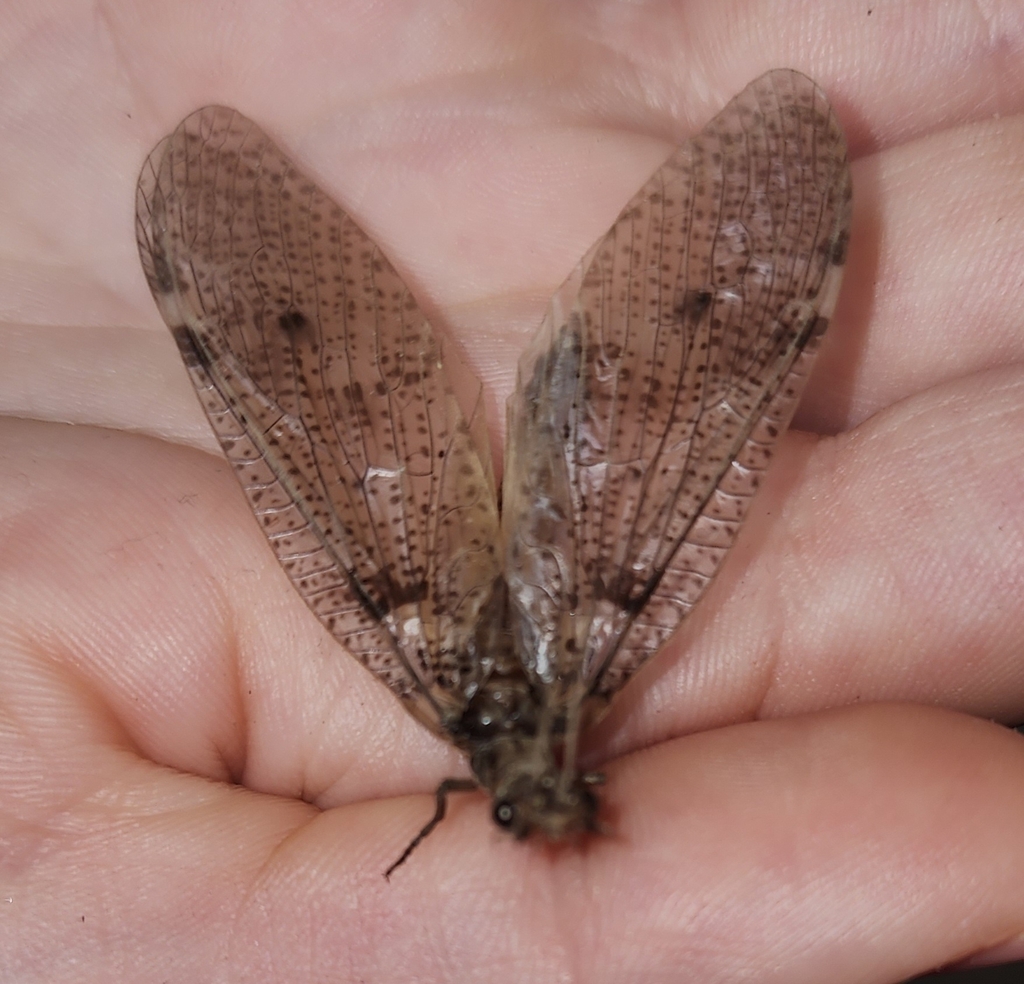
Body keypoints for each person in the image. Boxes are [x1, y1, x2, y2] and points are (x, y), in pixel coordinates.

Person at [2, 2, 1023, 981]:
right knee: (715, 425)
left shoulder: (466, 690)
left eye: (518, 804)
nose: (541, 797)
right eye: (557, 795)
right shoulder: (579, 669)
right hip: (577, 583)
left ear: (484, 795)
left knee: (288, 430)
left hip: (437, 582)